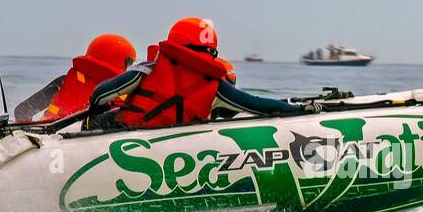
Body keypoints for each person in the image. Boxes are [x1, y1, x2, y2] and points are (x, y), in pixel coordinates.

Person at [87, 17, 302, 129]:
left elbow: (100, 94)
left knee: (94, 120)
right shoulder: (216, 87)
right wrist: (297, 110)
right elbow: (257, 104)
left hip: (121, 133)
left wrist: (97, 110)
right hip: (172, 141)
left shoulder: (147, 69)